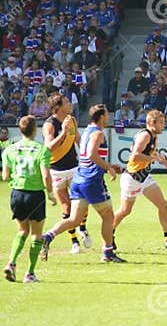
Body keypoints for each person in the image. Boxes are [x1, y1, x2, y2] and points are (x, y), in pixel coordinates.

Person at [41, 105, 125, 263]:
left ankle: (47, 237)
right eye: (107, 115)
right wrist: (107, 168)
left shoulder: (87, 130)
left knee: (74, 219)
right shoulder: (98, 133)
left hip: (79, 179)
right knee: (108, 216)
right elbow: (92, 154)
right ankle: (107, 253)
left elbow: (87, 156)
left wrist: (108, 166)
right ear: (101, 117)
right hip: (92, 181)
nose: (108, 118)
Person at [112, 110, 167, 251]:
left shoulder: (153, 136)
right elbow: (135, 156)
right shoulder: (145, 135)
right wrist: (154, 159)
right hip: (132, 179)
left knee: (163, 204)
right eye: (162, 123)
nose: (164, 125)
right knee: (125, 211)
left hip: (144, 177)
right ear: (152, 123)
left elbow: (151, 153)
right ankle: (109, 233)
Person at [2, 115, 56, 283]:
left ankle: (11, 264)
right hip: (35, 194)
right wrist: (50, 193)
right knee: (37, 234)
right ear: (35, 130)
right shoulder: (41, 150)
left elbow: (5, 176)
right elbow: (46, 176)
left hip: (17, 193)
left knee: (22, 231)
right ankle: (30, 273)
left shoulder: (9, 149)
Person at [42, 93, 90, 254]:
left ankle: (82, 227)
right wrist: (62, 133)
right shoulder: (50, 125)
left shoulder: (71, 120)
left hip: (74, 168)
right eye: (67, 102)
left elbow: (78, 139)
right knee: (67, 208)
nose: (70, 104)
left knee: (83, 202)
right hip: (56, 171)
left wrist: (88, 154)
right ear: (58, 107)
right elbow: (49, 148)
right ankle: (74, 241)